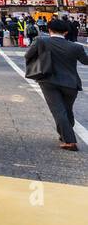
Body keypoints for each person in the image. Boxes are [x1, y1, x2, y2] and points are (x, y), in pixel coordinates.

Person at [25, 16, 88, 151]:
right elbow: (86, 61)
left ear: (49, 29)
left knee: (59, 111)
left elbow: (27, 55)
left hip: (48, 81)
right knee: (66, 110)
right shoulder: (76, 47)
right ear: (66, 32)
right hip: (71, 83)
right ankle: (64, 135)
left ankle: (70, 142)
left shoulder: (41, 41)